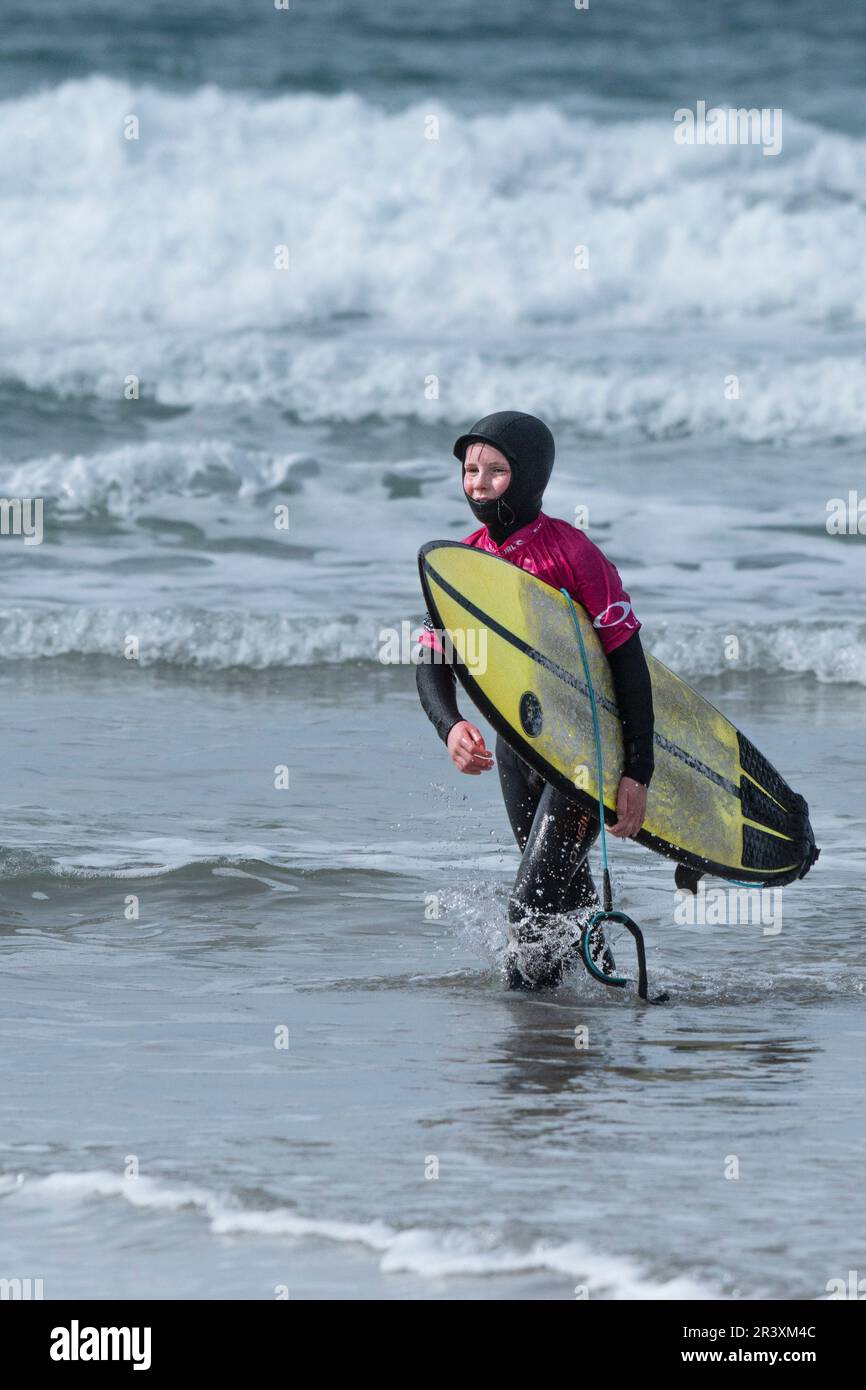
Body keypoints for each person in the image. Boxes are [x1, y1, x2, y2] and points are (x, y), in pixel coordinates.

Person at [416, 411, 656, 990]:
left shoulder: (573, 554)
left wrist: (636, 770)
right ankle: (596, 1012)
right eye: (471, 469)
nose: (477, 482)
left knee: (528, 905)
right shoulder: (463, 564)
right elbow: (432, 662)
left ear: (529, 478)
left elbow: (628, 659)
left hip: (583, 754)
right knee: (563, 896)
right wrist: (450, 726)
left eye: (495, 470)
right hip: (517, 746)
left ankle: (527, 1027)